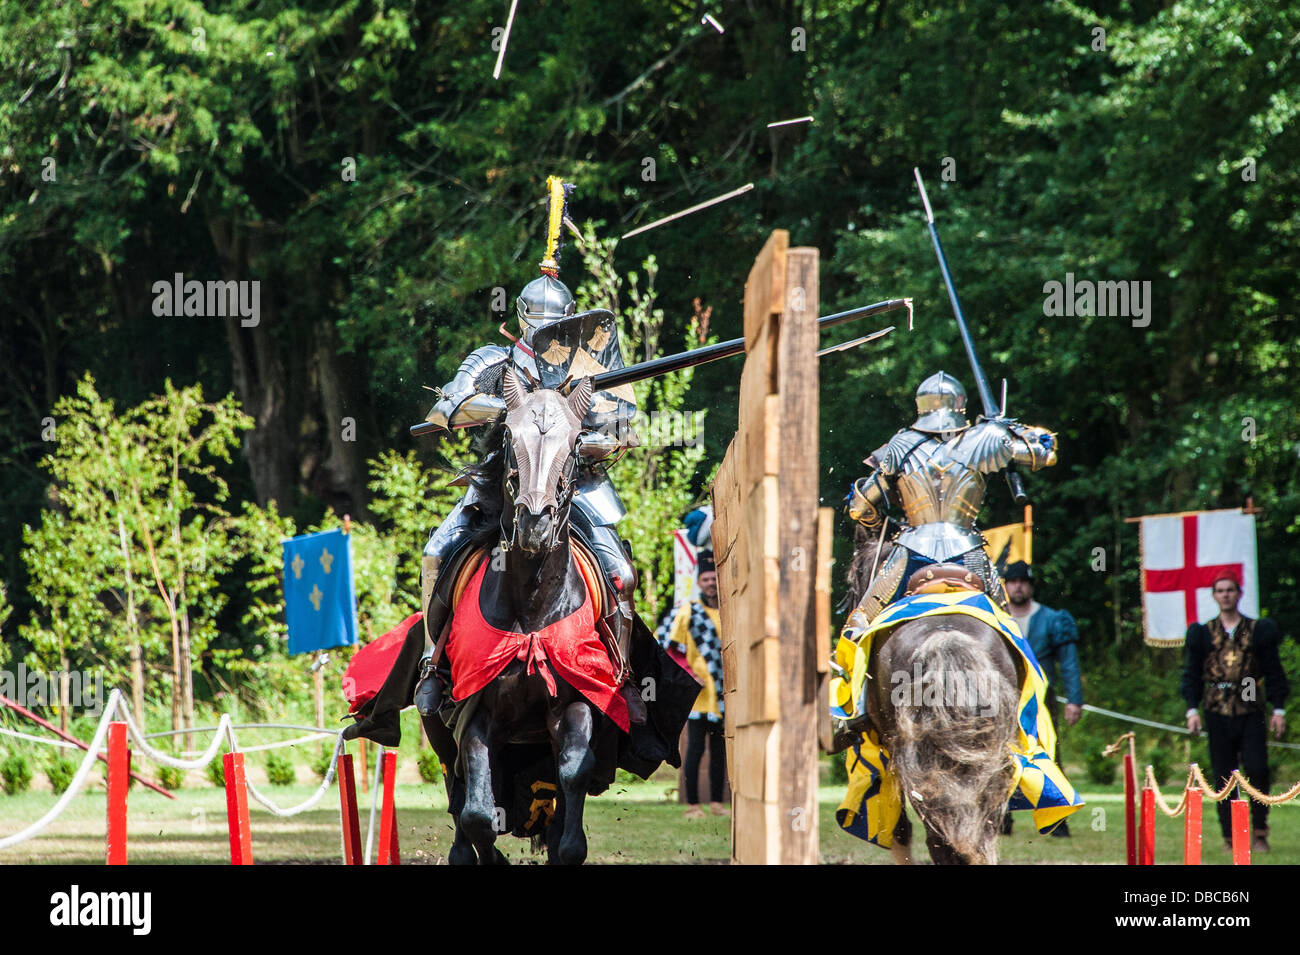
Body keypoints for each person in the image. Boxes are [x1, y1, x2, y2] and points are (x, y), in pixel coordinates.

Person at [843, 371, 1058, 621]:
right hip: (967, 549)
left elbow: (859, 508)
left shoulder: (900, 444)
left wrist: (880, 525)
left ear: (920, 404)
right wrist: (1009, 430)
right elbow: (1047, 451)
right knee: (1008, 627)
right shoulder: (984, 439)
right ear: (961, 404)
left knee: (859, 623)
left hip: (911, 550)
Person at [1181, 569, 1289, 853]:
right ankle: (1230, 836)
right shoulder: (1204, 633)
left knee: (1256, 768)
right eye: (1220, 590)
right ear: (1214, 596)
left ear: (1238, 594)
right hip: (1217, 706)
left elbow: (1274, 671)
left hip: (1251, 701)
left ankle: (1260, 831)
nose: (1225, 595)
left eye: (1230, 590)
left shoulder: (1257, 630)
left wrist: (1279, 709)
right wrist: (1191, 709)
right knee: (1223, 774)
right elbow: (1191, 674)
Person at [1001, 560, 1082, 837]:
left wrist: (1074, 699)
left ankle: (1056, 821)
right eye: (1012, 581)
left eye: (1023, 581)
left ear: (1030, 586)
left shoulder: (1052, 619)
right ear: (1006, 585)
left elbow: (1069, 664)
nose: (1018, 586)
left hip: (1040, 704)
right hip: (1001, 702)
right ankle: (1001, 822)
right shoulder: (996, 619)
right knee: (999, 759)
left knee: (1048, 755)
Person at [659, 550, 728, 818]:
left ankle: (717, 804)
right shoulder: (689, 612)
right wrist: (688, 676)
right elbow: (672, 649)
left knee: (720, 751)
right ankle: (693, 805)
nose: (711, 583)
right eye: (706, 579)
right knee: (695, 749)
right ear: (699, 583)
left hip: (724, 695)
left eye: (714, 579)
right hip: (698, 697)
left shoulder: (729, 614)